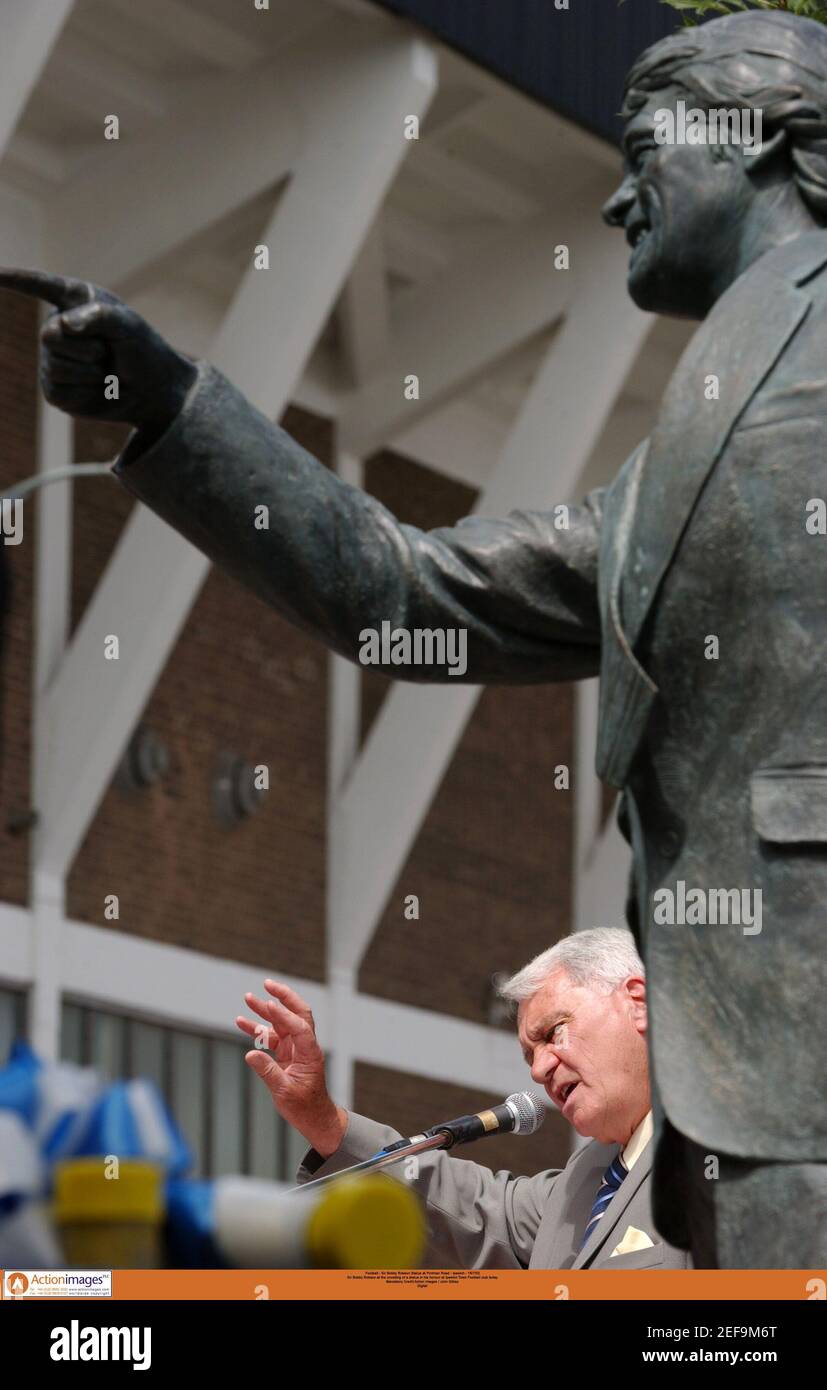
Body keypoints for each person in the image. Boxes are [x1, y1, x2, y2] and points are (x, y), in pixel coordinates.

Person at [2, 8, 826, 1267]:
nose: (615, 202)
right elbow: (409, 598)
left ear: (755, 139)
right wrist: (169, 409)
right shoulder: (681, 456)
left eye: (643, 149)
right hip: (757, 1120)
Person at [236, 928, 689, 1270]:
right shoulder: (584, 1182)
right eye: (529, 1055)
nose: (539, 1069)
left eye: (553, 1032)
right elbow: (468, 1209)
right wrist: (322, 1118)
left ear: (638, 1003)